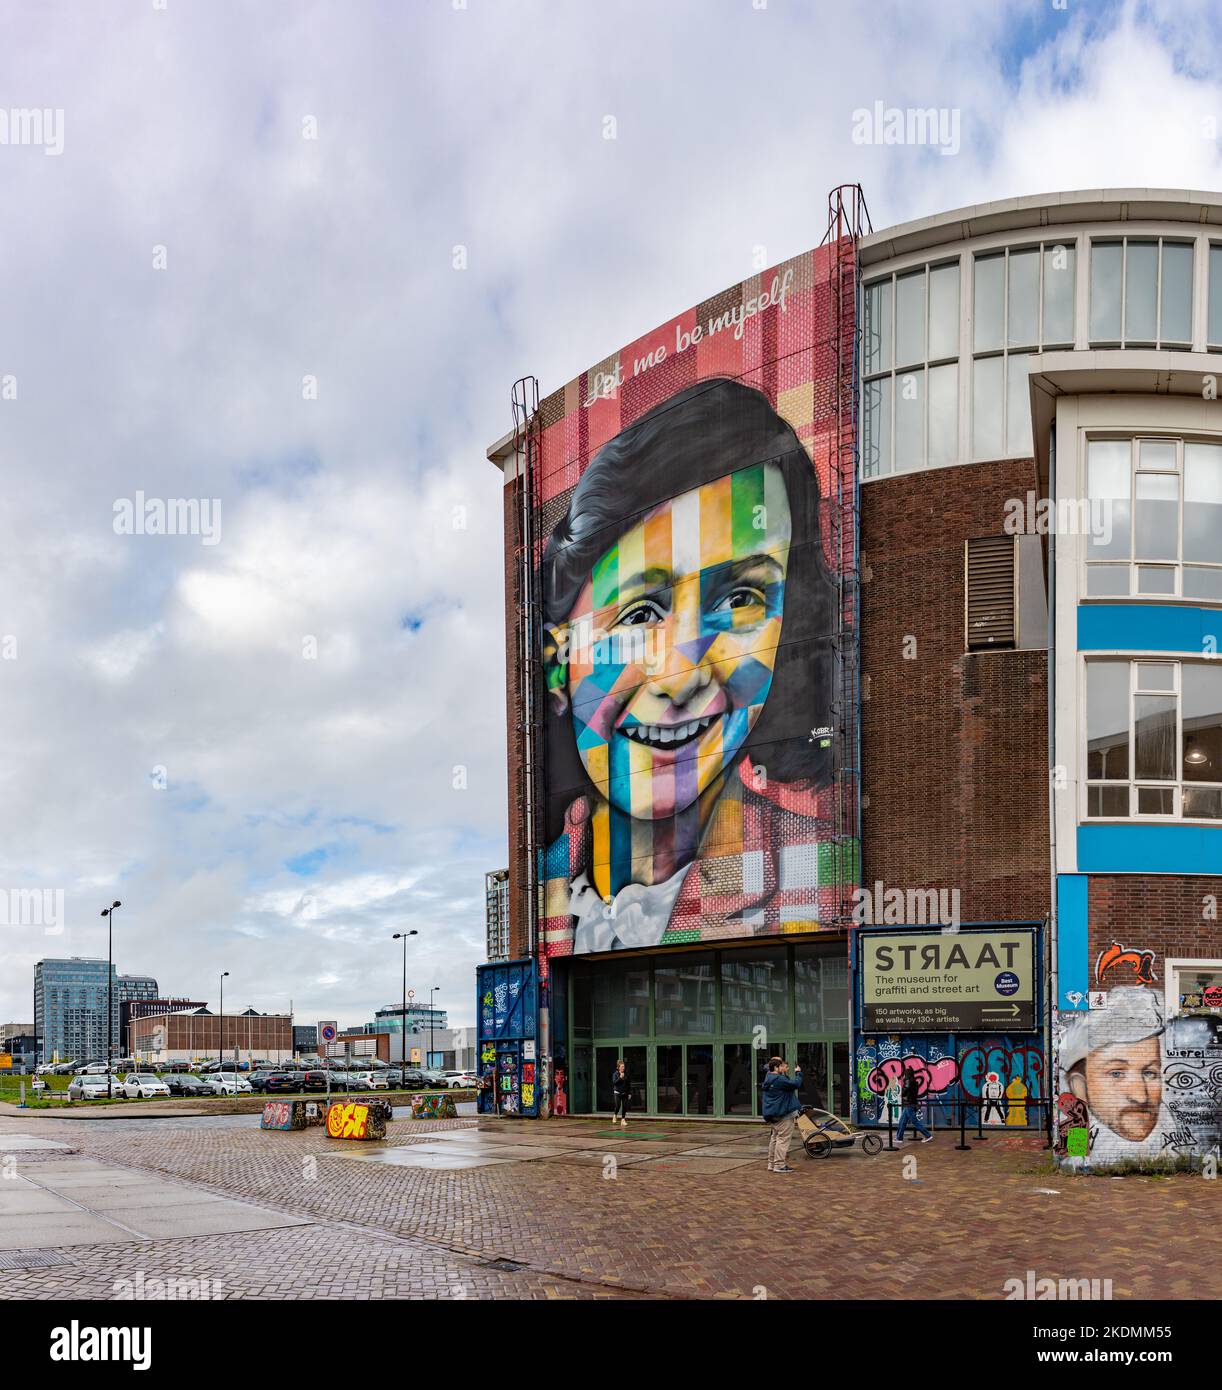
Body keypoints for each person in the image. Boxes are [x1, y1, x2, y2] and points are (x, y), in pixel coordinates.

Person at [539, 378, 840, 954]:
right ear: (559, 663)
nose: (682, 676)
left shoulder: (821, 878)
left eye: (741, 601)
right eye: (638, 612)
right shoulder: (542, 883)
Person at [761, 1056, 803, 1173]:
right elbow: (796, 1084)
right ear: (776, 1067)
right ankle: (779, 1165)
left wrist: (784, 1071)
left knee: (774, 1139)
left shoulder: (769, 1077)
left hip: (773, 1114)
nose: (784, 1067)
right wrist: (799, 1073)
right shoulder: (779, 1079)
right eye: (782, 1066)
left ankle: (771, 1163)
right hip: (783, 1115)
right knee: (782, 1140)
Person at [896, 1064, 933, 1143]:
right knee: (902, 1121)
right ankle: (899, 1138)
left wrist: (901, 1094)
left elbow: (905, 1090)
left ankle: (928, 1135)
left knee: (914, 1121)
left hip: (909, 1104)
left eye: (905, 1074)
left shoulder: (908, 1081)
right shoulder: (915, 1082)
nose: (904, 1076)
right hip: (910, 1103)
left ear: (907, 1074)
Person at [610, 1058, 631, 1126]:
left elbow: (628, 1084)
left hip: (624, 1092)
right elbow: (615, 1083)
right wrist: (620, 1078)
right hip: (617, 1093)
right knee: (618, 1106)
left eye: (624, 1066)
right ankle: (615, 1115)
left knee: (625, 1106)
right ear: (618, 1067)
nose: (623, 1068)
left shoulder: (626, 1074)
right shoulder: (615, 1074)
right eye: (622, 1067)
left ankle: (623, 1120)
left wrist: (629, 1093)